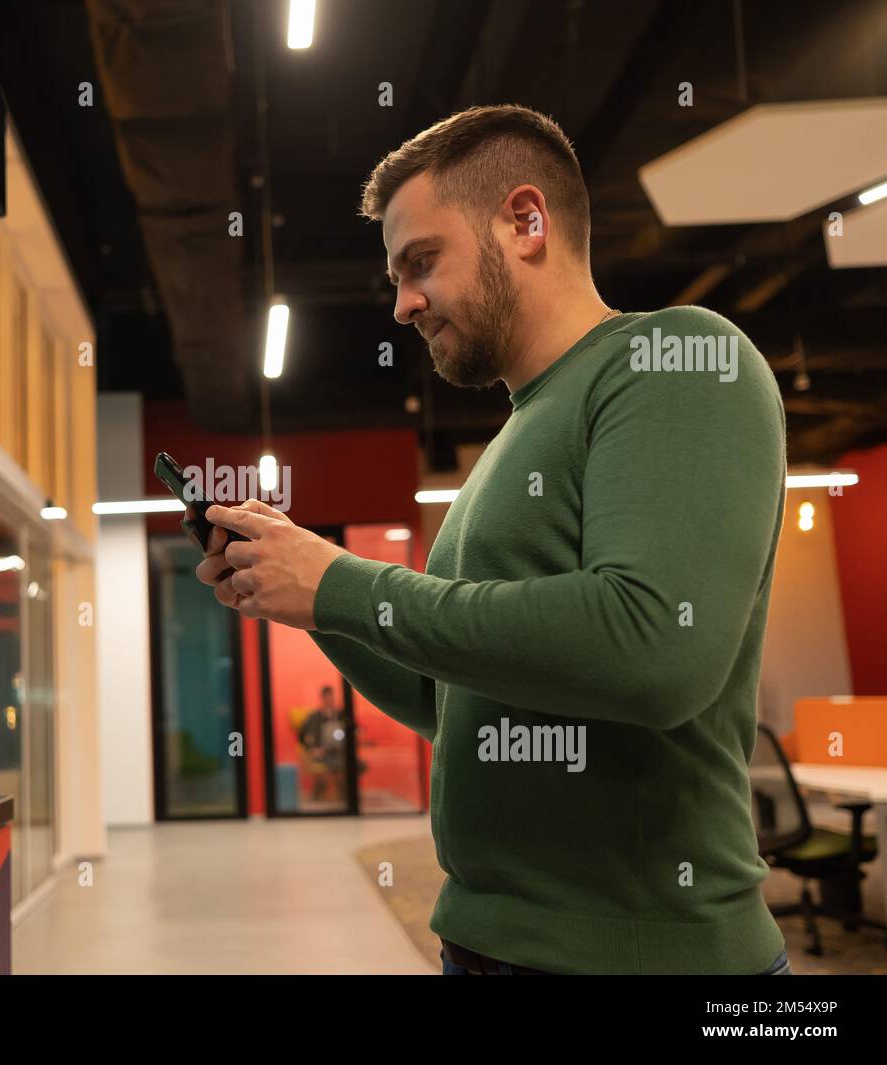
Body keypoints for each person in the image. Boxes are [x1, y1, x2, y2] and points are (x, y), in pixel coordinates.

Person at [191, 104, 792, 975]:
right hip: (485, 945)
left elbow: (657, 643)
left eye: (420, 263)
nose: (402, 304)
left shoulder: (676, 360)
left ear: (525, 220)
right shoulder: (510, 440)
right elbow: (453, 701)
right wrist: (303, 595)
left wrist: (341, 584)